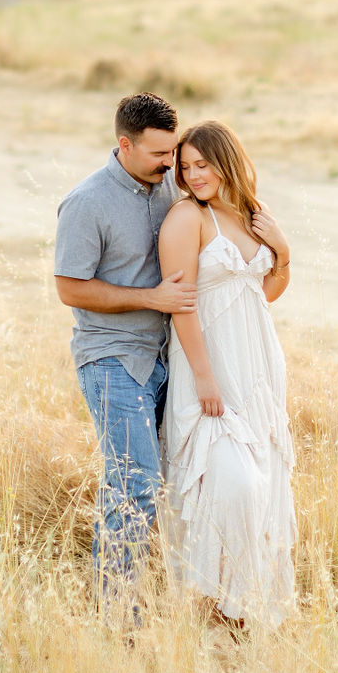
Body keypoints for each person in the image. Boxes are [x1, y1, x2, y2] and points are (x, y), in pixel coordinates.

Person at [54, 92, 196, 621]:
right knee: (134, 485)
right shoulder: (87, 201)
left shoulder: (169, 188)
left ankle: (155, 597)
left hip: (167, 358)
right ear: (124, 144)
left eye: (172, 151)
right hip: (112, 359)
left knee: (168, 482)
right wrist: (151, 298)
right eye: (159, 154)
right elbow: (70, 288)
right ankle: (116, 616)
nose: (170, 163)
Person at [157, 118, 296, 628]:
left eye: (203, 165)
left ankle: (245, 614)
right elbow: (182, 304)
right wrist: (204, 377)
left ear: (226, 161)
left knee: (264, 483)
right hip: (209, 367)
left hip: (257, 367)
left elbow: (265, 292)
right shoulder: (185, 218)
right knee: (231, 483)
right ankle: (210, 602)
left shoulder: (251, 213)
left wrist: (283, 251)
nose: (193, 176)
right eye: (185, 167)